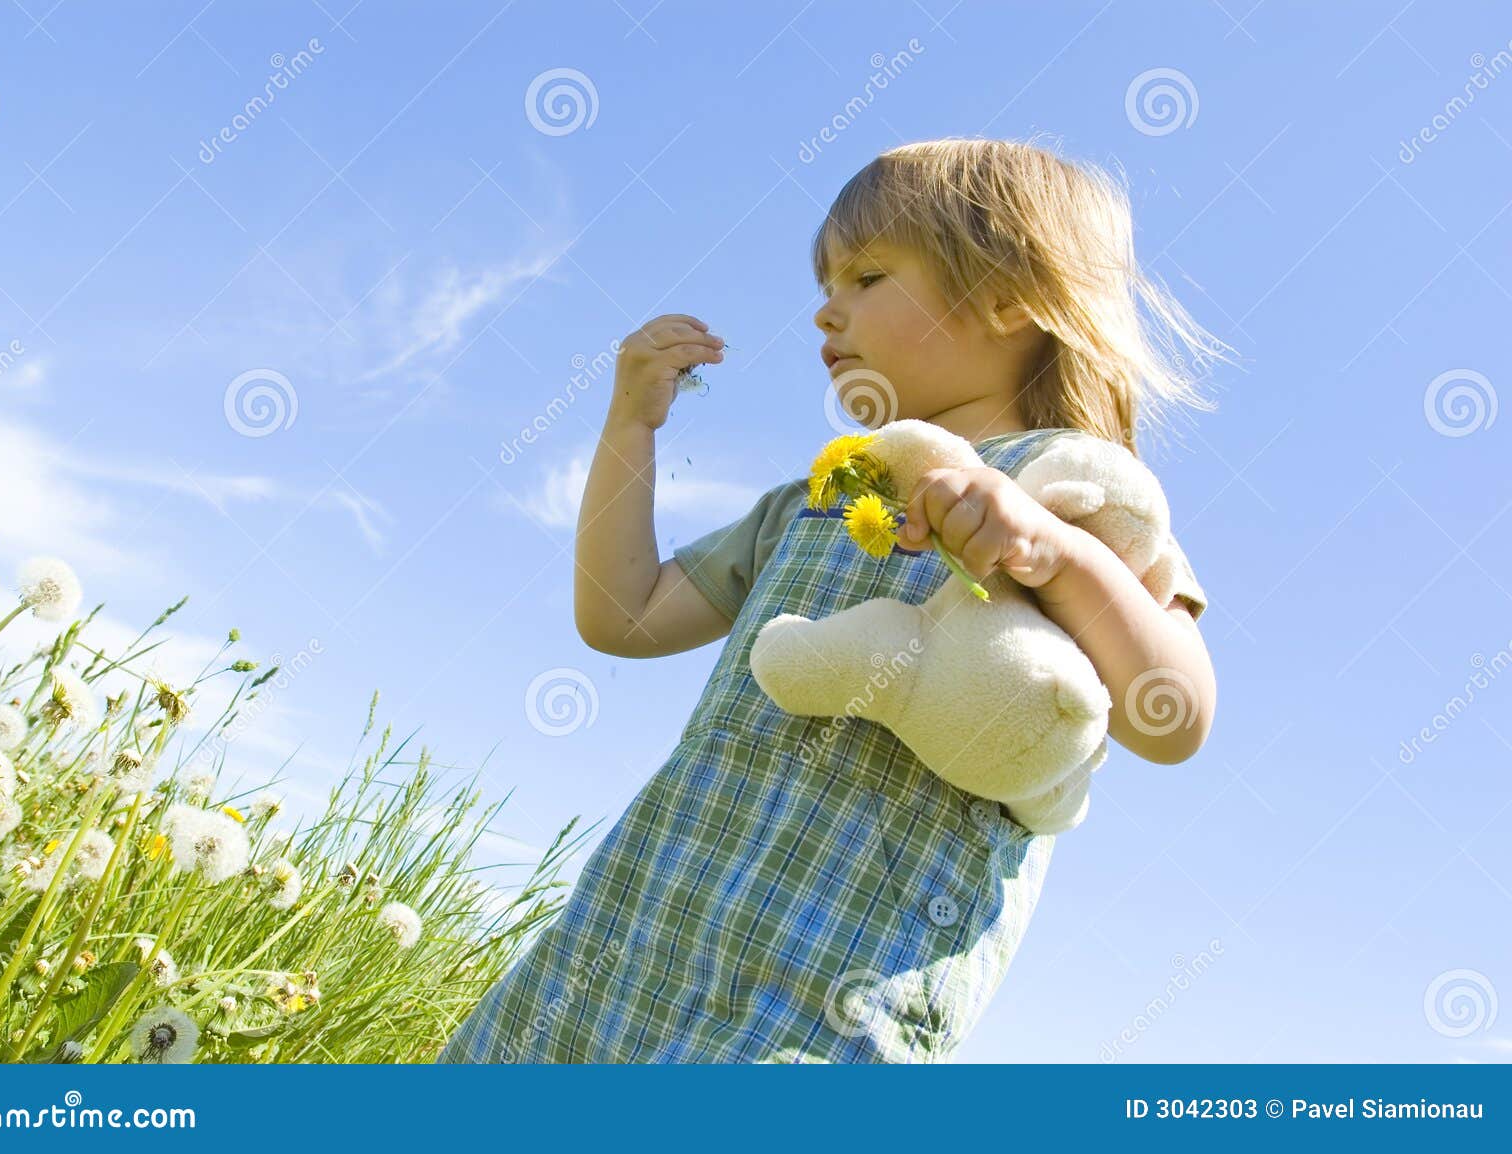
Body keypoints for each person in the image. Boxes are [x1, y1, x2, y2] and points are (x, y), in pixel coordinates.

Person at [437, 135, 1223, 1063]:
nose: (825, 312)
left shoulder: (1077, 491)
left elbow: (1171, 715)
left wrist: (1058, 558)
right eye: (827, 283)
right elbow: (623, 614)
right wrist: (630, 424)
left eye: (866, 276)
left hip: (827, 994)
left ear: (1012, 298)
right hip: (629, 935)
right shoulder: (819, 501)